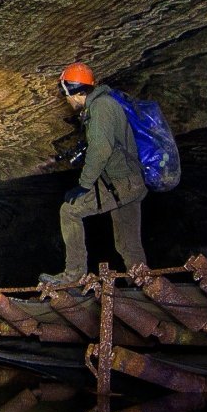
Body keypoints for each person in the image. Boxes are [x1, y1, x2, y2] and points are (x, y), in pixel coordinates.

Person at [42, 63, 147, 284]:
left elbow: (101, 149)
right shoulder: (102, 105)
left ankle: (74, 275)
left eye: (65, 93)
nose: (66, 99)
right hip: (132, 181)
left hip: (120, 182)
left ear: (73, 90)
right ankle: (143, 284)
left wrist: (84, 185)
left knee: (69, 211)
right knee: (128, 243)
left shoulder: (100, 108)